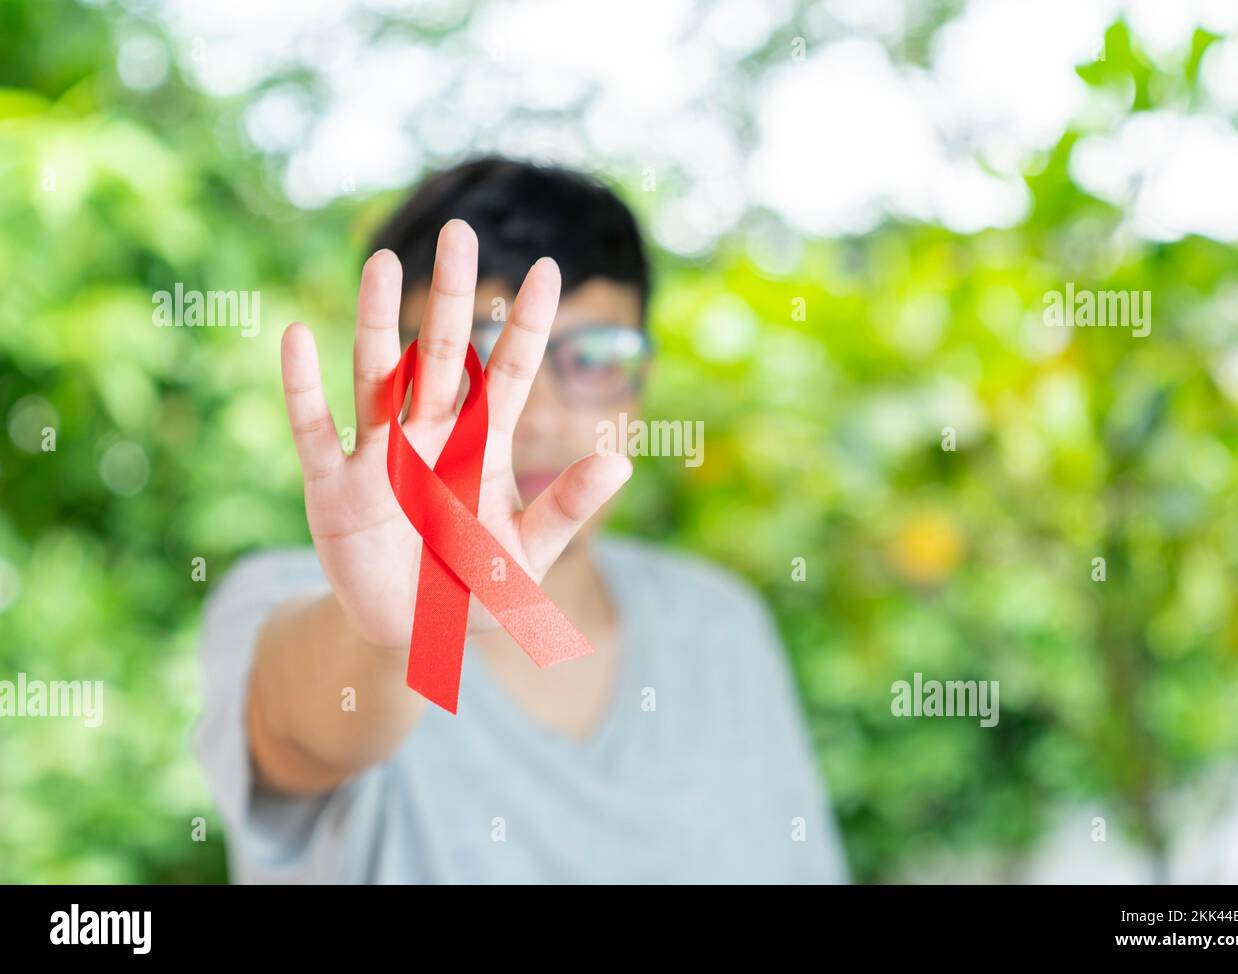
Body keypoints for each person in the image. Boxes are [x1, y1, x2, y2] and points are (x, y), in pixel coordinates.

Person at [191, 156, 849, 883]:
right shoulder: (296, 600)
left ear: (641, 386)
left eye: (595, 357)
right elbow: (304, 741)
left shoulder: (719, 623)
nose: (533, 416)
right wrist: (405, 631)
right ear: (396, 375)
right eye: (476, 356)